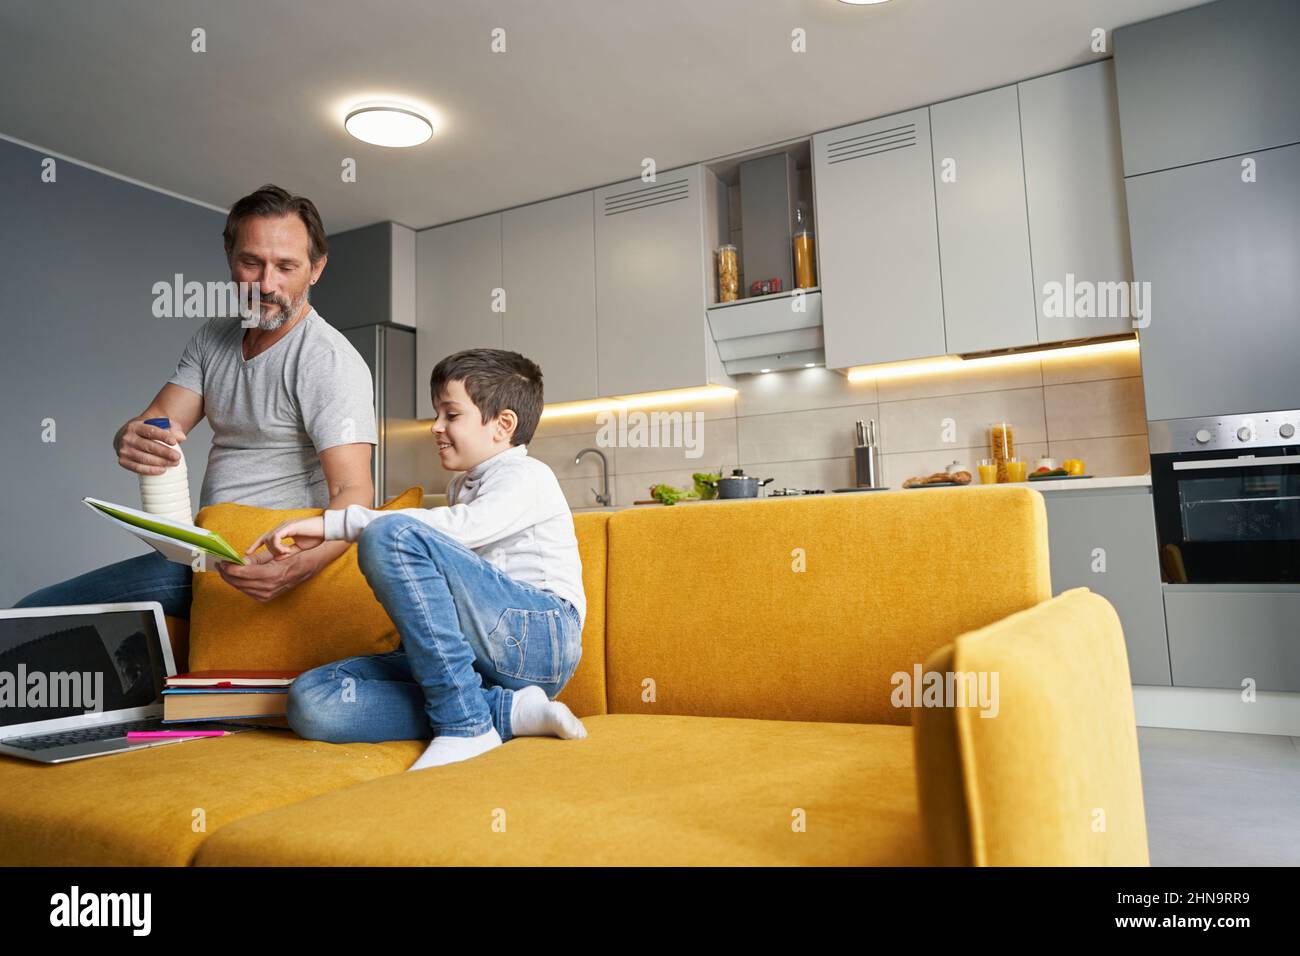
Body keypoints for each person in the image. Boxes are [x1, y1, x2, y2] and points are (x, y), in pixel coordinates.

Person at [14, 184, 377, 614]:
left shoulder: (327, 359)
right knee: (47, 617)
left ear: (315, 269)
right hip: (204, 551)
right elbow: (160, 425)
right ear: (229, 255)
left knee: (35, 610)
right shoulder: (215, 336)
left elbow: (355, 493)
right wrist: (128, 438)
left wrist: (298, 566)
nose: (266, 284)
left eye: (286, 266)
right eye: (251, 262)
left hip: (267, 555)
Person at [248, 349, 588, 770]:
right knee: (313, 701)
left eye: (451, 415)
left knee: (389, 533)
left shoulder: (527, 476)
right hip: (481, 660)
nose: (435, 427)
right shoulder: (461, 486)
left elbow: (461, 528)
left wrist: (333, 524)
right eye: (436, 414)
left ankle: (464, 726)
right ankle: (507, 712)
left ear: (503, 425)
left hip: (540, 638)